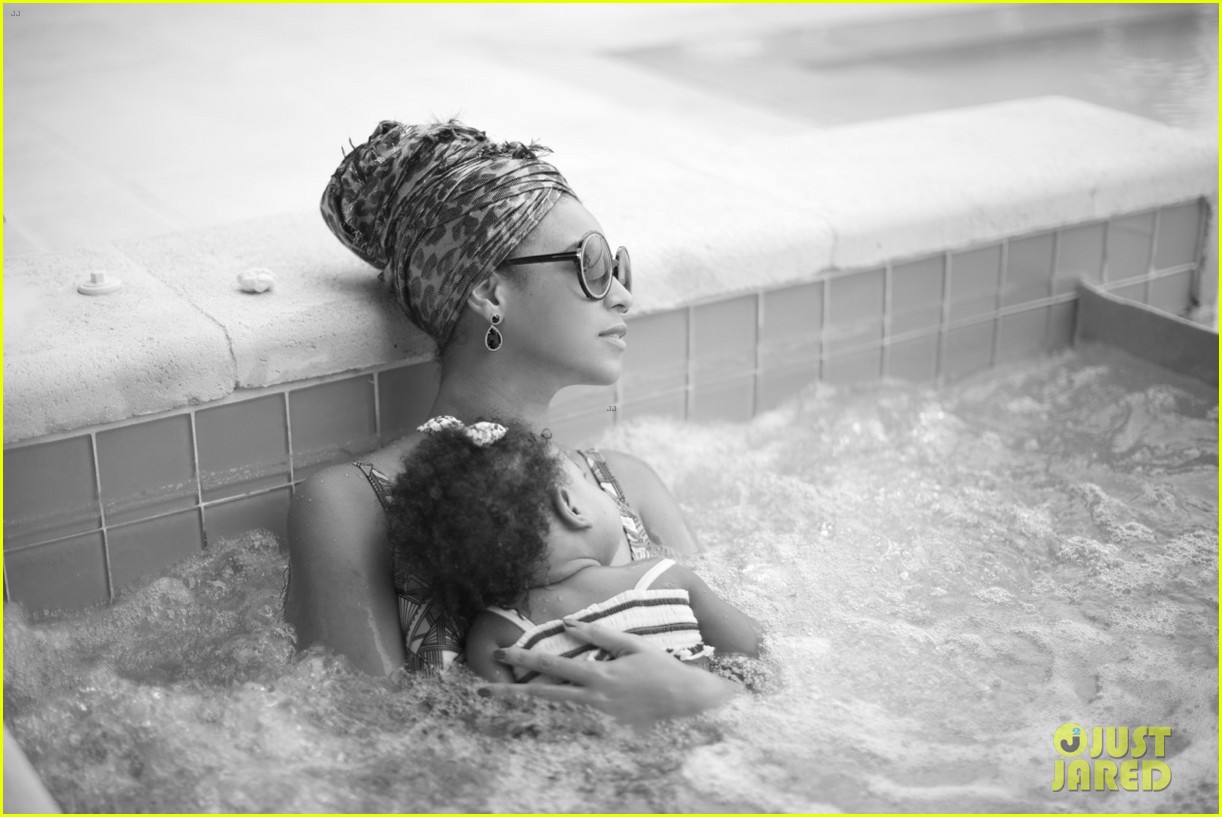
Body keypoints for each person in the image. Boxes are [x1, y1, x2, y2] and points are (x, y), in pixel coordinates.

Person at [285, 118, 736, 723]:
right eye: (591, 264)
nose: (622, 295)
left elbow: (766, 680)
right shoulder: (351, 504)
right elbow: (363, 735)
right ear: (489, 292)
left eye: (618, 267)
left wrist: (700, 696)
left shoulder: (630, 485)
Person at [386, 417, 762, 684]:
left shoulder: (496, 635)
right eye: (585, 480)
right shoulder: (666, 578)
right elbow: (757, 657)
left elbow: (498, 732)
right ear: (572, 507)